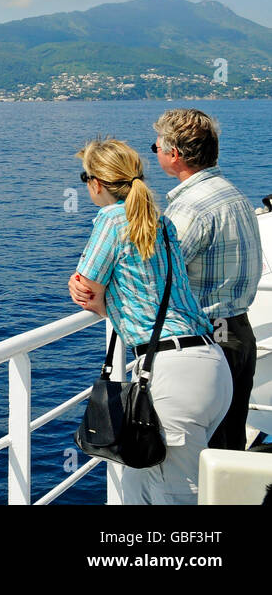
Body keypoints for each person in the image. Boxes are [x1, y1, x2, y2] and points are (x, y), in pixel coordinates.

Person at [67, 137, 231, 504]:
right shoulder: (162, 221)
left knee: (178, 495)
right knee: (142, 486)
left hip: (172, 374)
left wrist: (82, 288)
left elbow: (86, 287)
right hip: (210, 366)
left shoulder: (111, 219)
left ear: (96, 183)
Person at [151, 108, 262, 450]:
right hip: (239, 334)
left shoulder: (190, 208)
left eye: (155, 147)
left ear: (175, 154)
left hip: (207, 341)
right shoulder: (234, 195)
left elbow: (157, 277)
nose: (154, 152)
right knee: (228, 449)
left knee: (195, 454)